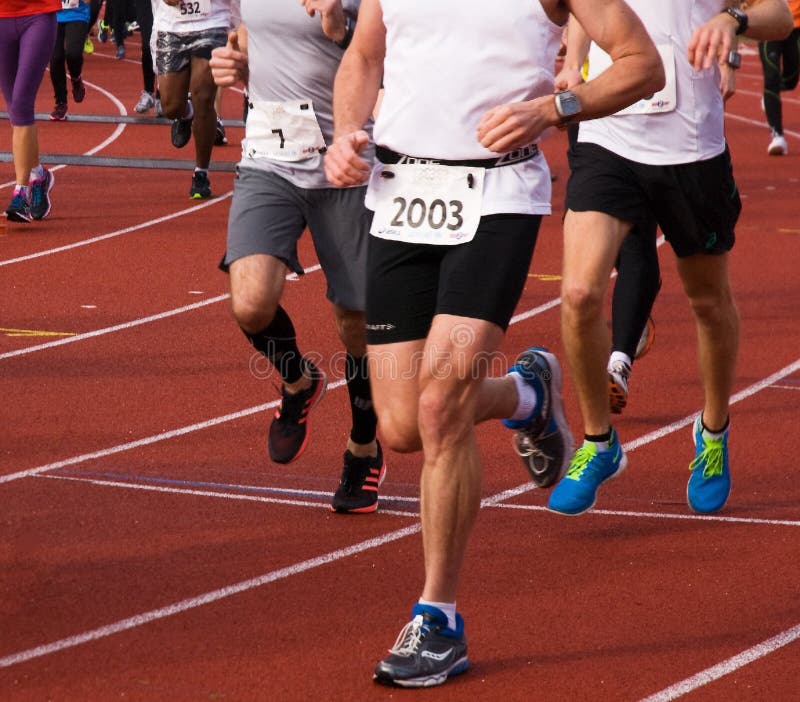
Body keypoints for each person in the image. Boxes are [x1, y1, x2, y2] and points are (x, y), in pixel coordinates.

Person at [324, 0, 663, 687]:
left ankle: (438, 619)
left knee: (441, 405)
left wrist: (554, 108)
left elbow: (642, 65)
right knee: (401, 426)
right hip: (399, 192)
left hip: (496, 195)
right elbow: (363, 53)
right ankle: (526, 393)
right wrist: (345, 133)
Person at [547, 0, 793, 519]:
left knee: (708, 301)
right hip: (607, 137)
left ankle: (713, 431)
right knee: (579, 293)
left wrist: (732, 22)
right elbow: (583, 8)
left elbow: (780, 16)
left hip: (691, 148)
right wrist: (574, 60)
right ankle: (598, 441)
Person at [209, 1, 386, 513]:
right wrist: (239, 63)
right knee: (250, 304)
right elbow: (253, 34)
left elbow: (398, 60)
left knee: (356, 322)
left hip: (347, 164)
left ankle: (363, 445)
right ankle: (298, 381)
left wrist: (342, 27)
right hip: (269, 161)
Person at [152, 0, 232, 199]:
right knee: (170, 107)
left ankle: (201, 172)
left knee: (203, 98)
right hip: (171, 25)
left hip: (212, 22)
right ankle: (187, 114)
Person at [1, 0, 59, 223]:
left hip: (38, 15)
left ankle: (21, 194)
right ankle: (39, 175)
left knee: (21, 104)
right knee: (15, 110)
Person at [759, 0, 800, 155]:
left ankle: (771, 95)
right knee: (771, 78)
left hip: (795, 23)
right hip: (768, 23)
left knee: (791, 80)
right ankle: (777, 136)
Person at [48, 0, 90, 122]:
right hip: (53, 14)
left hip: (77, 14)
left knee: (73, 53)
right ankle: (61, 103)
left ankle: (76, 79)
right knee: (55, 58)